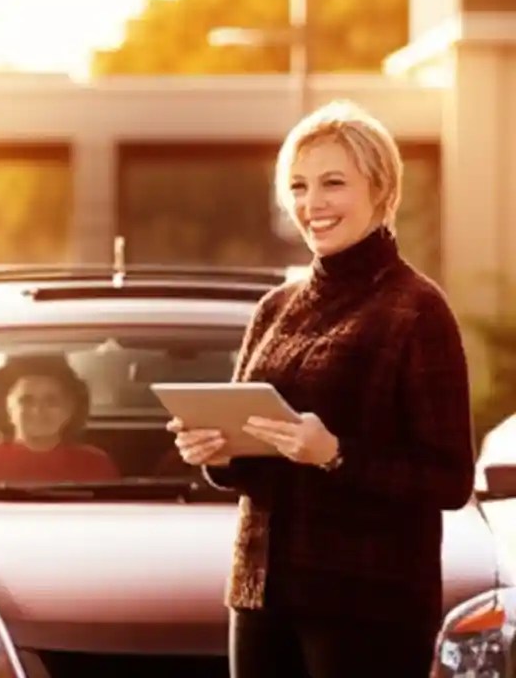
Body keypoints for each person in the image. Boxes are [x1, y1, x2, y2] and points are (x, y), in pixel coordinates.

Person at [167, 100, 474, 677]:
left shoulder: (418, 310)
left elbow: (450, 479)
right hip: (261, 594)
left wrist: (335, 455)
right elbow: (250, 466)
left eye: (333, 183)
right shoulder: (275, 308)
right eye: (300, 186)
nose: (313, 204)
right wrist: (217, 452)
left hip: (369, 607)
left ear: (381, 190)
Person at [0, 352, 119, 484]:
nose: (38, 410)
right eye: (26, 400)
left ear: (70, 408)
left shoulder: (95, 465)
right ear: (7, 408)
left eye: (51, 401)